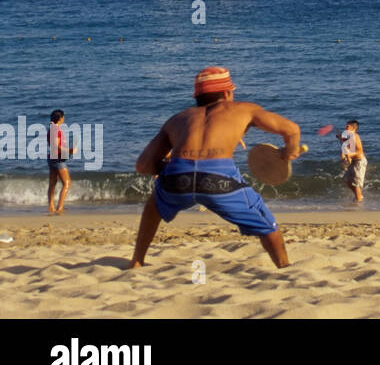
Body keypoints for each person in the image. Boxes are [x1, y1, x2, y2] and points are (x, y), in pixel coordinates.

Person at [130, 66, 301, 269]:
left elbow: (143, 165)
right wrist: (289, 151)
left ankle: (137, 262)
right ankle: (283, 265)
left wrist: (168, 168)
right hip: (218, 178)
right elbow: (291, 130)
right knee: (264, 220)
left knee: (154, 206)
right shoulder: (244, 109)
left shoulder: (177, 119)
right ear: (228, 93)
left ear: (197, 96)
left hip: (178, 177)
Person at [47, 110, 76, 214]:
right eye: (63, 117)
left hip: (52, 158)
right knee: (67, 183)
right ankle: (59, 208)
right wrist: (70, 150)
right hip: (58, 159)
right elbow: (57, 146)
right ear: (61, 118)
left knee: (52, 183)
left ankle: (51, 207)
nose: (64, 118)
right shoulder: (56, 130)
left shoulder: (51, 128)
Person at [338, 119, 366, 202]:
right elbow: (347, 145)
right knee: (347, 180)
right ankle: (359, 196)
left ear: (353, 128)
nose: (345, 127)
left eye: (347, 126)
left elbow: (359, 151)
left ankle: (358, 199)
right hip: (354, 161)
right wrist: (340, 138)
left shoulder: (355, 136)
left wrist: (349, 155)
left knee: (356, 183)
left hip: (359, 162)